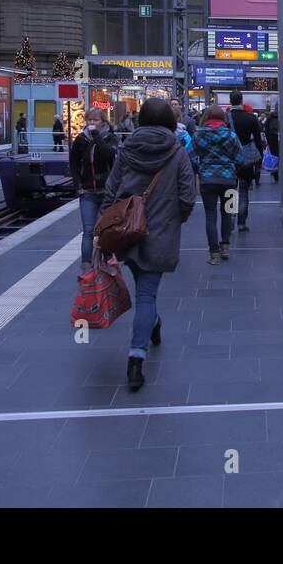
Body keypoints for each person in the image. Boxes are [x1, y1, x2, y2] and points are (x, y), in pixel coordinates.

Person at [99, 98, 196, 391]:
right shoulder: (177, 153)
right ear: (169, 120)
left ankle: (152, 324)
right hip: (161, 232)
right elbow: (187, 195)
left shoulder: (126, 151)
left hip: (126, 232)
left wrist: (103, 227)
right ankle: (136, 357)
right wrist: (176, 219)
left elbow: (111, 189)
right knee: (146, 295)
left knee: (143, 288)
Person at [191, 104, 244, 266]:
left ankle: (214, 253)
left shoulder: (198, 135)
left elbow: (191, 156)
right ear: (223, 118)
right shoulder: (232, 136)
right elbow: (241, 159)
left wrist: (200, 170)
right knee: (228, 212)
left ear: (206, 117)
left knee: (210, 216)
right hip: (229, 180)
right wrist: (233, 168)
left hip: (207, 180)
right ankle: (226, 246)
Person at [69, 107, 118, 273]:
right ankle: (86, 263)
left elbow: (109, 155)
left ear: (103, 122)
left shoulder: (110, 138)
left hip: (106, 192)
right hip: (88, 192)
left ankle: (107, 260)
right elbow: (74, 164)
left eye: (95, 120)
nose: (91, 123)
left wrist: (97, 137)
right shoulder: (81, 140)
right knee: (88, 230)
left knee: (104, 229)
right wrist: (79, 187)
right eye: (89, 120)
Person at [227, 92, 264, 228]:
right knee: (243, 189)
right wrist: (259, 158)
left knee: (231, 190)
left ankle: (229, 221)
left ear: (230, 101)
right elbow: (258, 140)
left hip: (230, 158)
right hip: (246, 159)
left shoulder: (226, 118)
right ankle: (241, 223)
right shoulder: (250, 118)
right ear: (241, 101)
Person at [264, 107, 280, 184]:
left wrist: (268, 140)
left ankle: (275, 174)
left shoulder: (270, 117)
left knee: (274, 156)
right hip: (282, 140)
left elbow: (266, 129)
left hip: (272, 140)